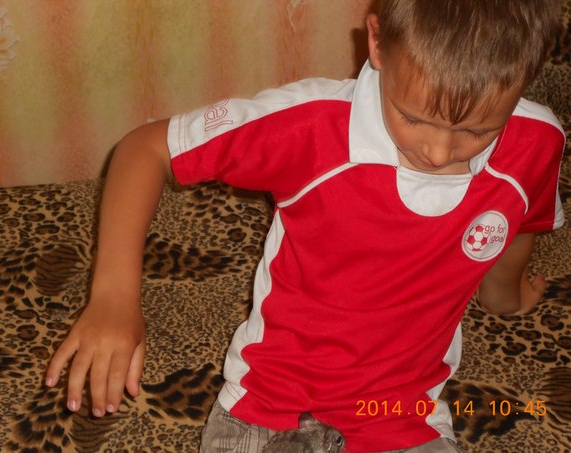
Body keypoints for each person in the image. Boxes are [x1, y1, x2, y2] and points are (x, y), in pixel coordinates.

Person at [45, 0, 565, 451]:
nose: (438, 151)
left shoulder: (537, 141)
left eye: (477, 130)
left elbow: (515, 223)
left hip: (401, 414)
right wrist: (113, 297)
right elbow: (148, 148)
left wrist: (507, 297)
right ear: (377, 43)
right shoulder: (308, 126)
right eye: (414, 118)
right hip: (270, 404)